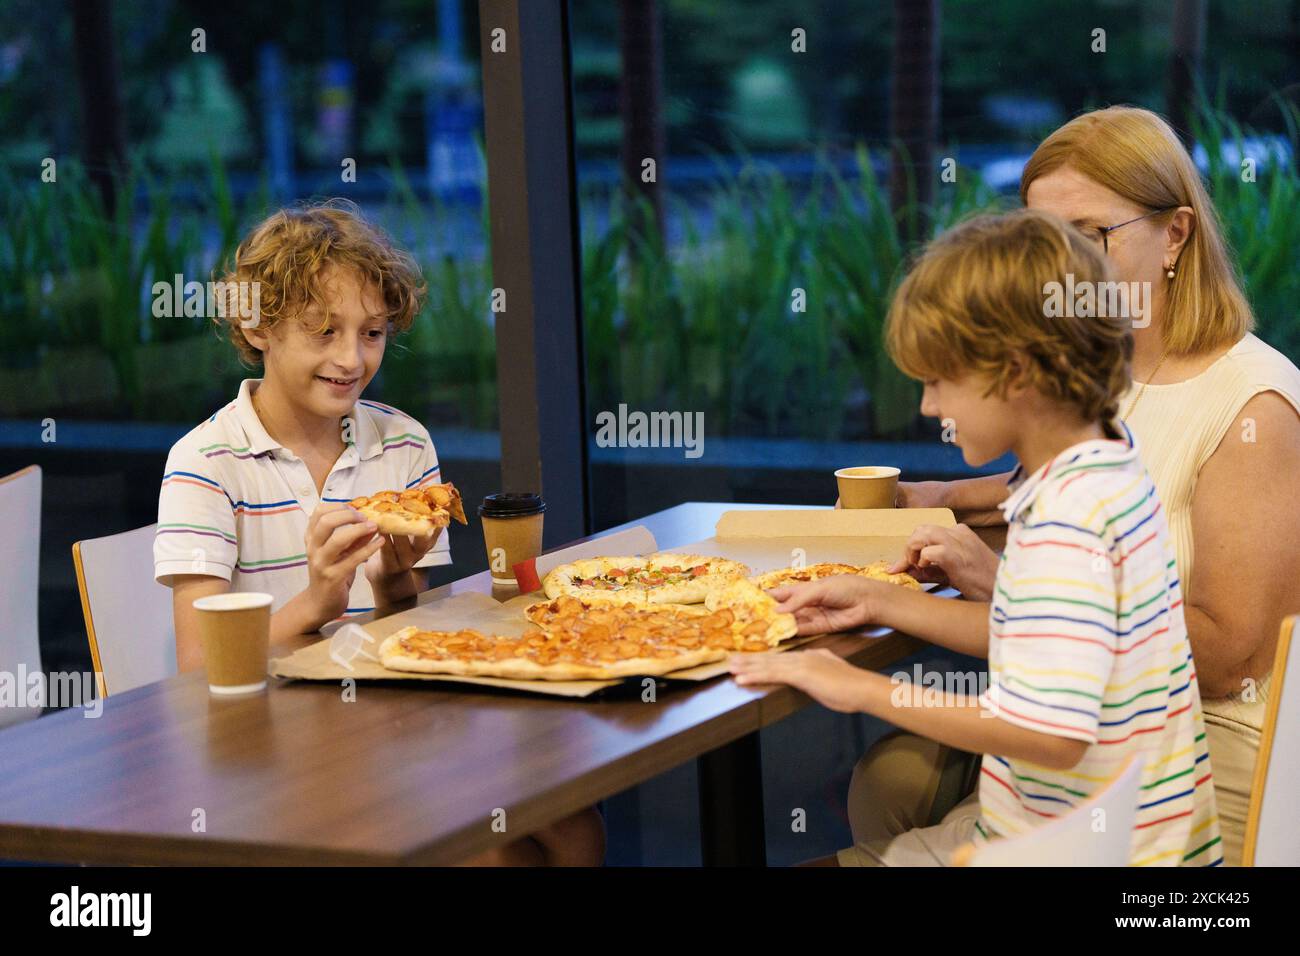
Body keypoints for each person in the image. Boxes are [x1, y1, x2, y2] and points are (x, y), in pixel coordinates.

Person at [735, 208, 1221, 866]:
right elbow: (1053, 642)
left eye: (938, 381)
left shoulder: (1066, 521)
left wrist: (858, 688)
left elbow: (1050, 735)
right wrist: (884, 601)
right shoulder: (1109, 465)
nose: (930, 407)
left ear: (1015, 372)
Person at [881, 107, 1300, 865]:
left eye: (1088, 236)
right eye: (1043, 238)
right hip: (1104, 740)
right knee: (888, 778)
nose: (1055, 267)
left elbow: (1231, 657)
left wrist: (998, 585)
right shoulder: (1111, 373)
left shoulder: (1254, 403)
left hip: (1199, 765)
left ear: (1176, 234)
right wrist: (940, 498)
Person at [154, 200, 604, 866]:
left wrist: (396, 579)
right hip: (271, 751)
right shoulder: (206, 462)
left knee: (575, 828)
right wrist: (316, 604)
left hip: (390, 722)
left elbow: (401, 622)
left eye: (372, 333)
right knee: (500, 859)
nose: (351, 358)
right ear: (257, 327)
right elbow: (201, 664)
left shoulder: (402, 442)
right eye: (322, 330)